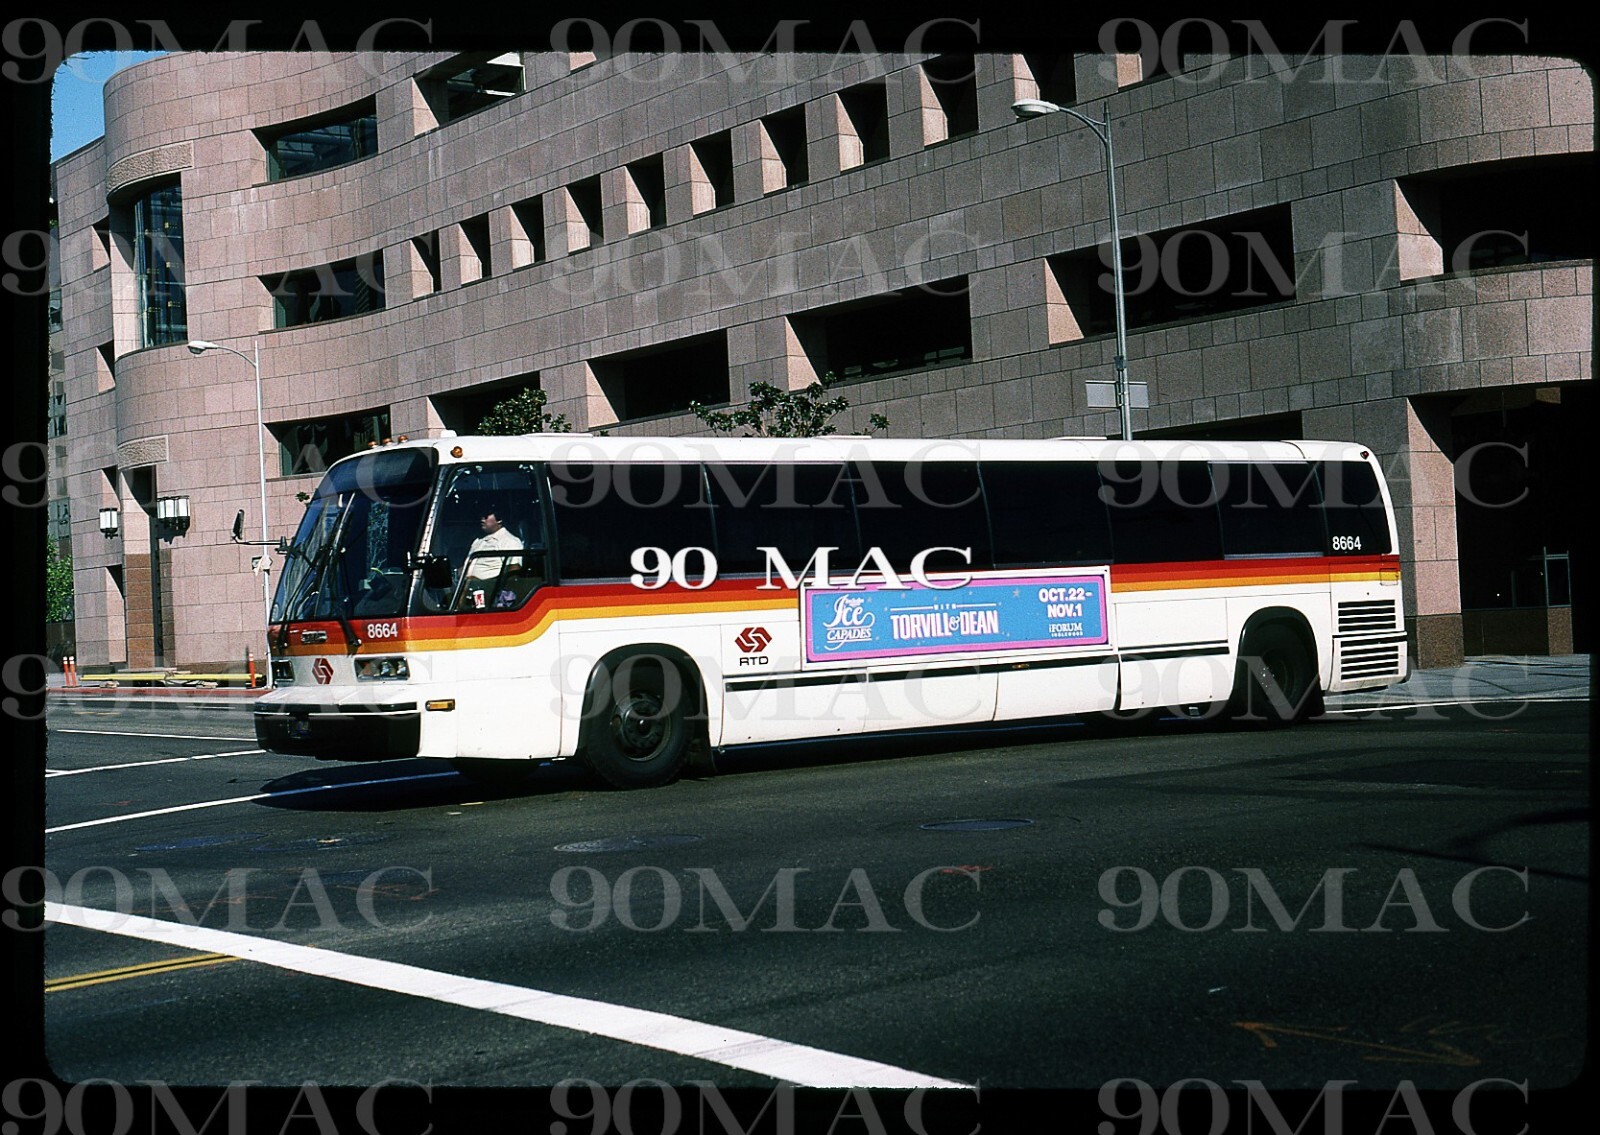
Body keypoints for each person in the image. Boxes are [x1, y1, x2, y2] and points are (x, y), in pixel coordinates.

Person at [465, 509, 522, 581]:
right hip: (465, 586)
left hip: (490, 589)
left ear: (499, 520)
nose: (482, 519)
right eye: (481, 516)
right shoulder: (478, 541)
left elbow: (514, 570)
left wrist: (482, 582)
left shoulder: (510, 541)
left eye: (486, 517)